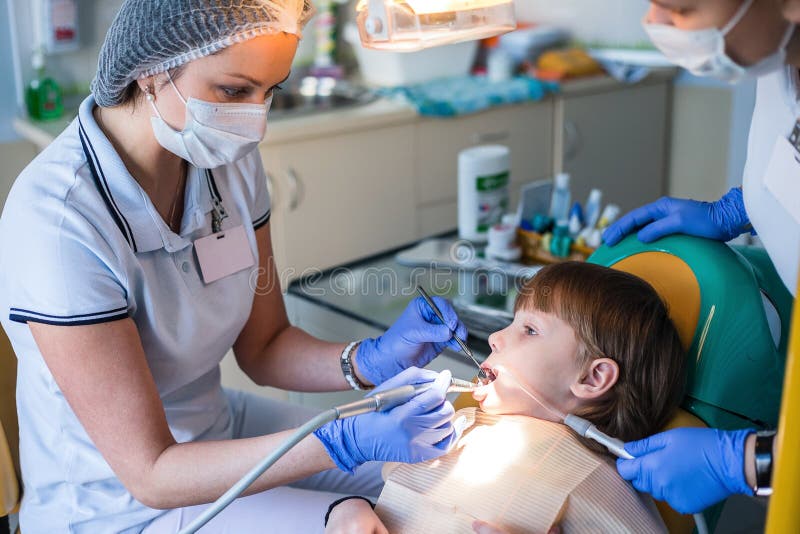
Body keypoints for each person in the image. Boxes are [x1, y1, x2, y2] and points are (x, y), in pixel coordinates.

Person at [0, 1, 469, 532]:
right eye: (234, 91)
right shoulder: (59, 221)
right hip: (117, 504)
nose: (256, 121)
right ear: (152, 70)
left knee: (440, 470)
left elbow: (265, 349)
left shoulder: (224, 158)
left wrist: (371, 359)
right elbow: (152, 475)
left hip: (217, 428)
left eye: (271, 91)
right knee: (353, 522)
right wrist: (340, 442)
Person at [602, 0, 800, 516]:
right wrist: (744, 206)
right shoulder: (782, 56)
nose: (657, 25)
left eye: (681, 8)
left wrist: (750, 462)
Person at [323, 262, 687, 533]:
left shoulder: (597, 482)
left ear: (592, 378)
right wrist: (349, 508)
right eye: (512, 322)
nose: (496, 337)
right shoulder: (460, 429)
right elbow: (397, 504)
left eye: (529, 329)